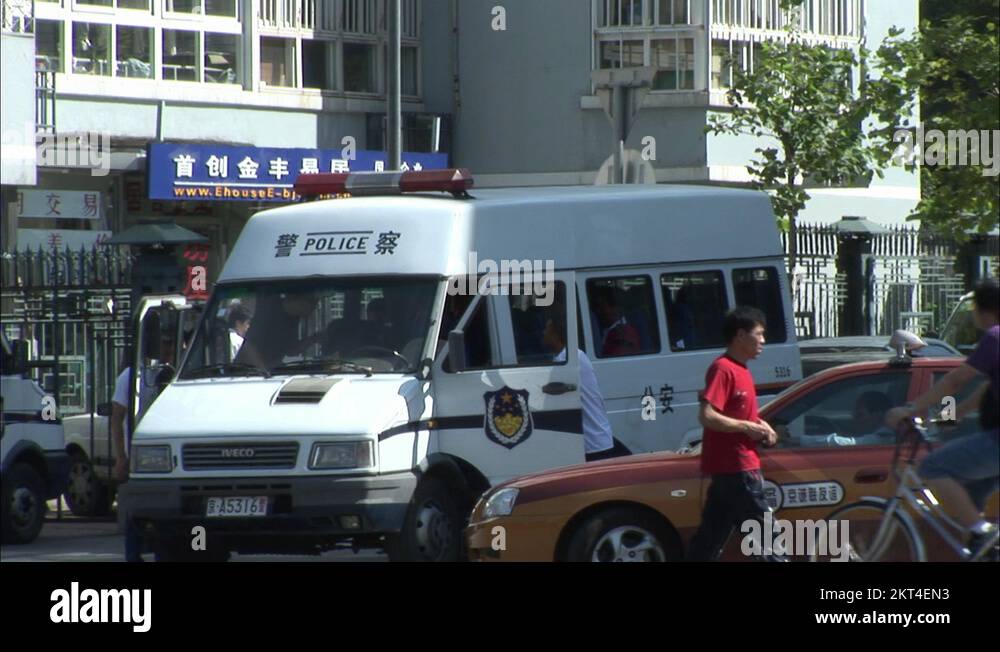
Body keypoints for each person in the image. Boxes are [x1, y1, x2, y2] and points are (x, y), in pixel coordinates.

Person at [886, 278, 999, 559]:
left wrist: (910, 409)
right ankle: (984, 547)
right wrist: (949, 417)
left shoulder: (994, 337)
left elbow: (954, 382)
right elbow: (983, 390)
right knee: (970, 502)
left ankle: (982, 532)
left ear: (981, 309)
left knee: (932, 467)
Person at [686, 307, 781, 562]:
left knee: (707, 543)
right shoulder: (723, 369)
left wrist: (762, 426)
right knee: (768, 540)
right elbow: (707, 415)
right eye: (759, 334)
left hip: (730, 471)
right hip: (737, 469)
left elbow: (742, 414)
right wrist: (747, 428)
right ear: (740, 335)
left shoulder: (742, 370)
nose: (763, 340)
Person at [112, 325, 174, 562]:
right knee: (136, 513)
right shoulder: (130, 376)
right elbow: (117, 418)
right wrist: (121, 456)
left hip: (167, 457)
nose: (168, 349)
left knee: (165, 515)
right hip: (138, 456)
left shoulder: (174, 374)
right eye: (165, 344)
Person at [542, 314, 619, 462]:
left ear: (555, 334)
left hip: (594, 444)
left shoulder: (570, 359)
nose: (543, 333)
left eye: (547, 329)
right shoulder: (567, 357)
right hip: (592, 442)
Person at [590, 286, 641, 357]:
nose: (598, 311)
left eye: (602, 306)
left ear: (615, 308)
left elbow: (616, 360)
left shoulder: (625, 334)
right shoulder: (606, 329)